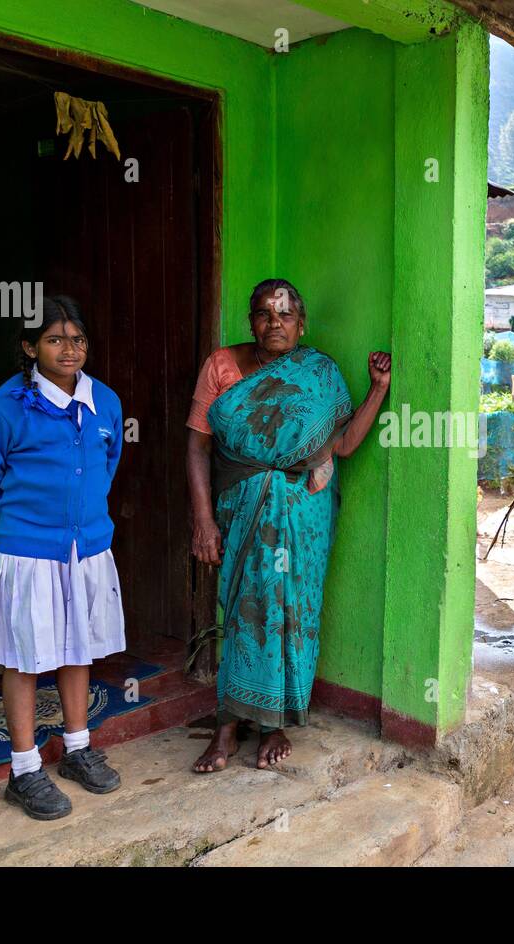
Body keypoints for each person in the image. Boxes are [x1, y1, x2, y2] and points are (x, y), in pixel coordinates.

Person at [186, 279, 390, 772]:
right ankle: (228, 725)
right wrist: (203, 521)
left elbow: (340, 448)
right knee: (242, 612)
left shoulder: (318, 373)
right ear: (250, 322)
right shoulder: (221, 366)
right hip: (242, 510)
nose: (273, 322)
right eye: (263, 314)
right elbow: (196, 447)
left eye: (284, 314)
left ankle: (275, 723)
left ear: (301, 324)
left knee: (292, 611)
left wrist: (377, 391)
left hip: (303, 517)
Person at [0, 295, 125, 820]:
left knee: (79, 647)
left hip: (87, 549)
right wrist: (10, 535)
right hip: (28, 551)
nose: (69, 350)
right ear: (30, 347)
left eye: (77, 339)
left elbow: (108, 463)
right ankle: (24, 767)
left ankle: (77, 748)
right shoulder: (4, 409)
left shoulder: (104, 402)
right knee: (27, 656)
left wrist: (82, 524)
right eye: (55, 339)